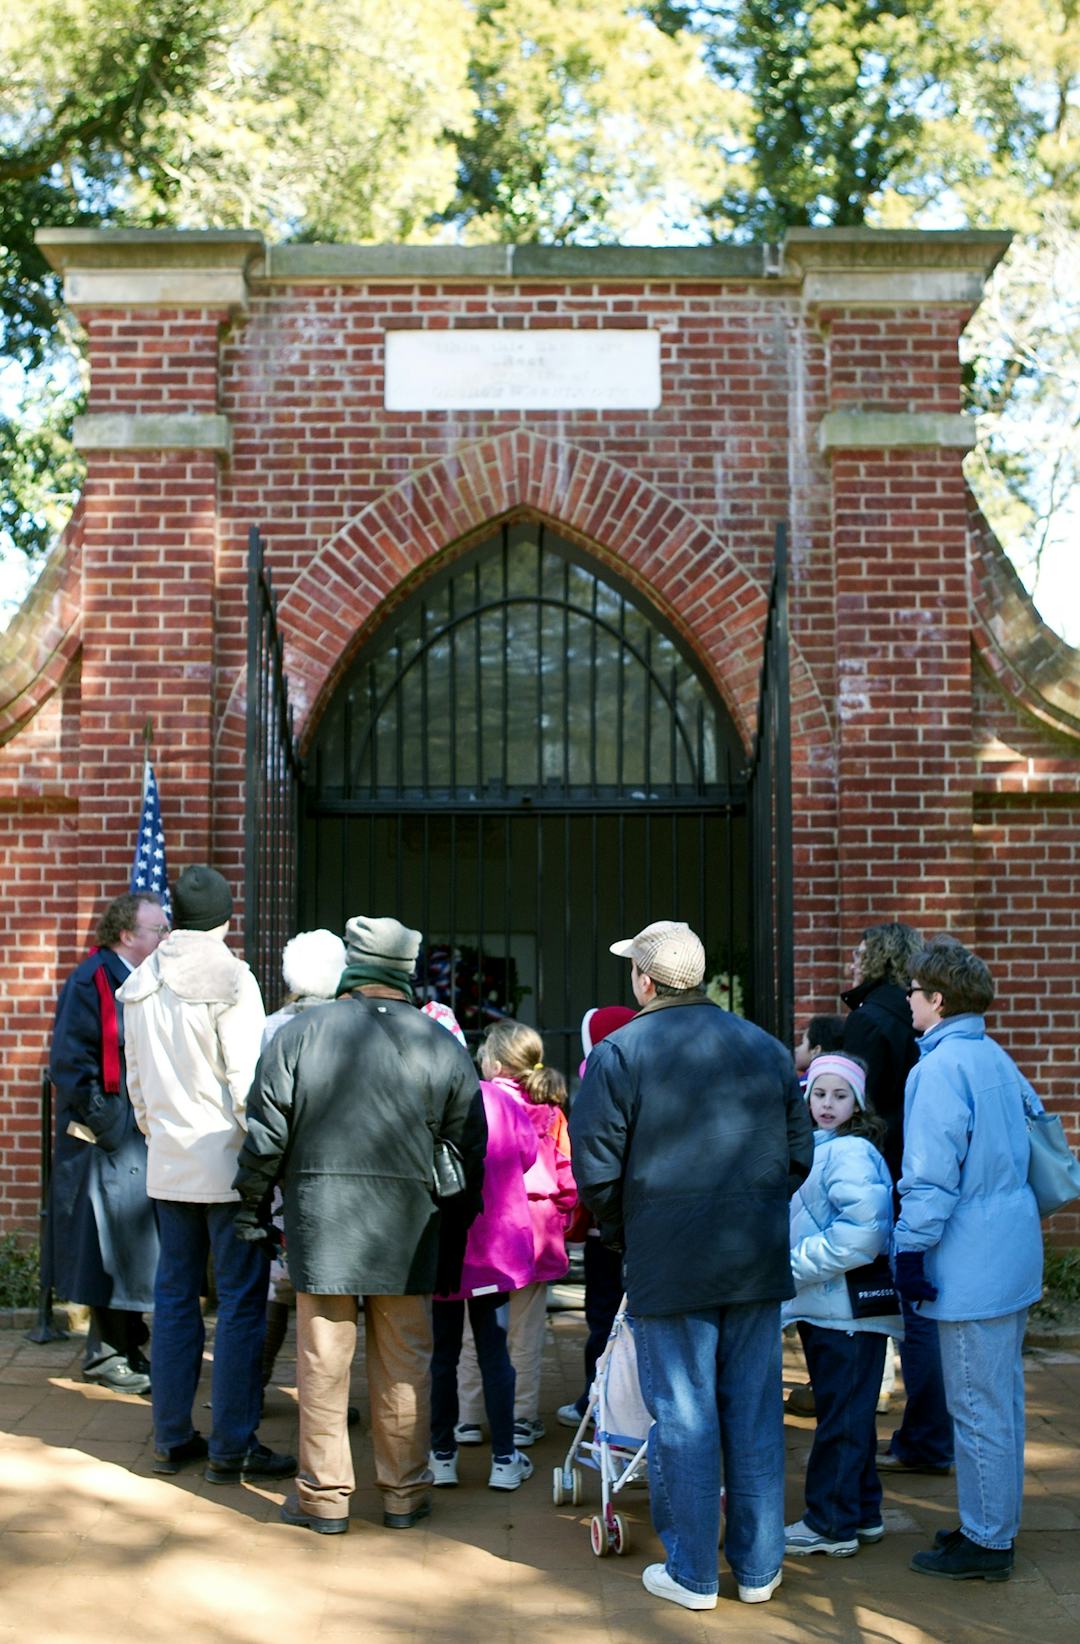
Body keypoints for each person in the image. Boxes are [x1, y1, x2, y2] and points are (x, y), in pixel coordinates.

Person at [570, 919, 813, 1611]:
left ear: (644, 980)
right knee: (755, 1411)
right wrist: (754, 1210)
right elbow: (799, 1155)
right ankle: (760, 1568)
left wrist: (626, 1233)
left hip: (670, 1259)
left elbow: (596, 1171)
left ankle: (693, 1572)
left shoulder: (619, 1052)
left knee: (683, 1415)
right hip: (752, 1256)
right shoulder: (766, 1048)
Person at [233, 914, 486, 1535]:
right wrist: (452, 1226)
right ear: (406, 972)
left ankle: (323, 1497)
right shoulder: (440, 1042)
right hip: (409, 1222)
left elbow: (266, 1136)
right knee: (406, 1360)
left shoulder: (300, 1033)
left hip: (320, 1219)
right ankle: (404, 1491)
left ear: (353, 966)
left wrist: (250, 1205)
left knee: (322, 1360)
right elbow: (469, 1149)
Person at [118, 865, 292, 1485]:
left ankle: (170, 1436)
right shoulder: (232, 976)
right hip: (228, 1165)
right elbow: (247, 1084)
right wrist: (265, 1154)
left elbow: (135, 1086)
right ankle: (233, 1444)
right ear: (224, 917)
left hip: (169, 1163)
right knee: (242, 1303)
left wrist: (159, 1134)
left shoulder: (139, 980)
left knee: (174, 1300)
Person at [894, 939, 1043, 1581]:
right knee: (1000, 1400)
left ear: (939, 1000)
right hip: (1010, 1251)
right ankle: (991, 1525)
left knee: (978, 1408)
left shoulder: (938, 1069)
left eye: (915, 990)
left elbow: (930, 1179)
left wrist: (908, 1248)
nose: (908, 999)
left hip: (968, 1262)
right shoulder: (994, 1056)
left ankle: (987, 1542)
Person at [842, 920, 954, 1476]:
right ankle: (929, 1434)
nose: (853, 962)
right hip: (922, 1172)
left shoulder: (872, 1021)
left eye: (860, 953)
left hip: (886, 1175)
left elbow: (854, 1104)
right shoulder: (918, 1021)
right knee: (920, 1309)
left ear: (877, 957)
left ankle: (924, 1439)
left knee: (901, 1313)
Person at [783, 1054, 902, 1558]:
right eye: (819, 1094)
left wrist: (792, 1267)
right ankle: (863, 1513)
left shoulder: (848, 1153)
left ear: (857, 1103)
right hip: (831, 1309)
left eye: (840, 1095)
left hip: (848, 1311)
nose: (827, 1104)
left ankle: (831, 1525)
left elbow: (862, 1237)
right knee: (847, 1414)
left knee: (841, 1420)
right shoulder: (821, 1148)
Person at [48, 893, 168, 1394]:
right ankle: (104, 1356)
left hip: (135, 1138)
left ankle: (129, 1345)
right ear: (127, 935)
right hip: (105, 1141)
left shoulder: (142, 981)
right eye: (157, 929)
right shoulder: (92, 981)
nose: (165, 937)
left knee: (135, 1249)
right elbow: (71, 1067)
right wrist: (114, 1124)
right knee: (107, 1249)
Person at [430, 1017, 539, 1491]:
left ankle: (441, 1455)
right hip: (494, 1247)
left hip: (445, 1247)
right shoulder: (500, 1100)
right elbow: (528, 1156)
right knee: (495, 1354)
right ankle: (503, 1459)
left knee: (442, 1356)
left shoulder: (430, 1101)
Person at [455, 1022, 575, 1450]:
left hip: (491, 1228)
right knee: (526, 1333)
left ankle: (467, 1417)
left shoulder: (480, 1102)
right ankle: (522, 1417)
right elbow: (567, 1180)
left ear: (496, 1061)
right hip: (538, 1230)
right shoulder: (552, 1111)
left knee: (475, 1327)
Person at [258, 929, 347, 1394]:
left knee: (277, 1287)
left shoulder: (269, 1027)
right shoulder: (351, 1027)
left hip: (279, 1172)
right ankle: (324, 1400)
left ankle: (252, 1388)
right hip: (334, 1177)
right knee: (330, 1291)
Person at [556, 1003, 635, 1430]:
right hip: (646, 1224)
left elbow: (590, 1164)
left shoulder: (594, 1082)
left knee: (603, 1315)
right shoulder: (647, 1078)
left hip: (608, 1228)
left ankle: (595, 1397)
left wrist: (581, 1222)